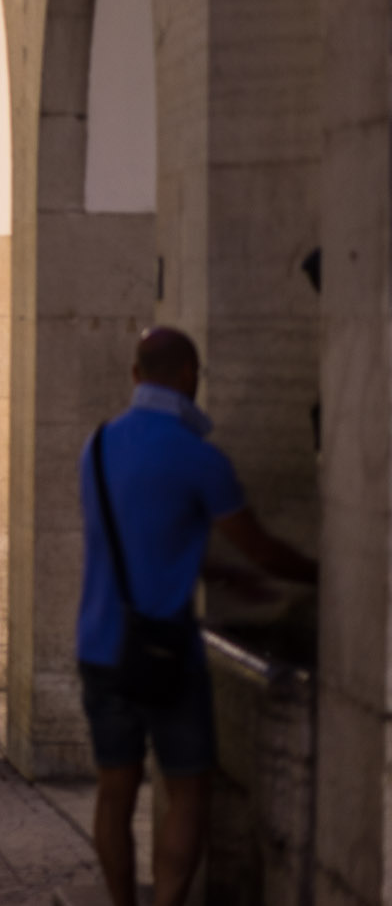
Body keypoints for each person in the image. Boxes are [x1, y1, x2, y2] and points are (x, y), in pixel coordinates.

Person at [77, 327, 317, 906]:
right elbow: (258, 546)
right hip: (166, 654)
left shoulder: (99, 445)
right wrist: (321, 574)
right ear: (190, 376)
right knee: (188, 787)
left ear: (136, 375)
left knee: (115, 788)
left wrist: (205, 567)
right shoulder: (199, 458)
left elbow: (134, 540)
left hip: (100, 645)